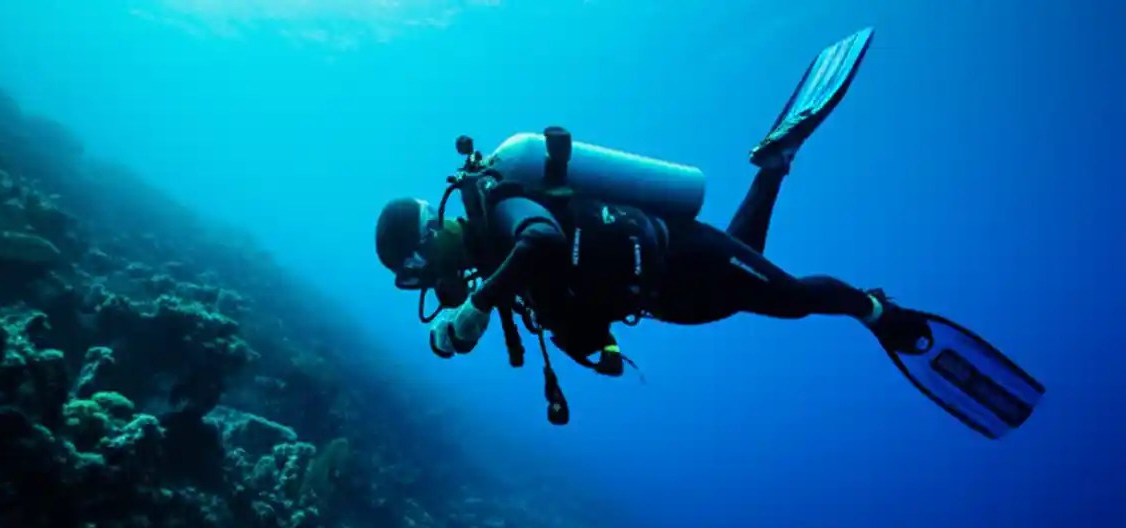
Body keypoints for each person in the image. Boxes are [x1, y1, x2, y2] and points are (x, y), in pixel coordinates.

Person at [374, 27, 1044, 438]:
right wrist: (593, 352)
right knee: (749, 264)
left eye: (420, 261)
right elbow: (564, 304)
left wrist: (477, 307)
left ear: (431, 232)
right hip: (668, 298)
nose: (430, 278)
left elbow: (545, 243)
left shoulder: (495, 206)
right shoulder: (495, 268)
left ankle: (875, 311)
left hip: (678, 254)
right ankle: (774, 163)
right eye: (418, 276)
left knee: (787, 297)